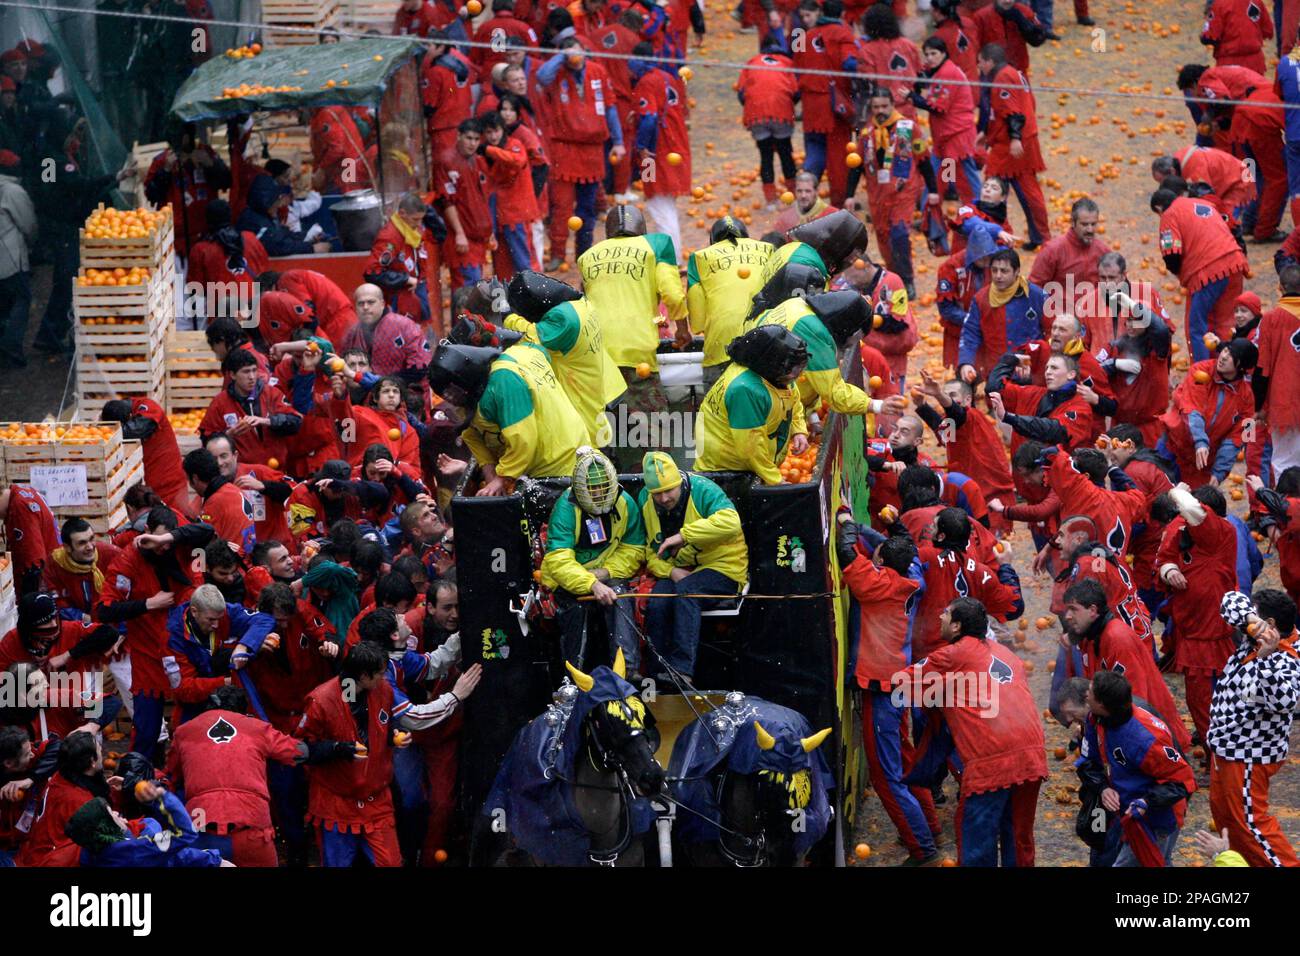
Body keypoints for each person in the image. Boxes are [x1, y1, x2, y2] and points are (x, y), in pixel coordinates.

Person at [900, 597, 1047, 866]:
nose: (939, 617)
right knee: (1019, 838)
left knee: (975, 843)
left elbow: (902, 684)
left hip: (991, 762)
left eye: (945, 614)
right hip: (1033, 757)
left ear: (956, 627)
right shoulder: (1006, 653)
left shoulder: (952, 654)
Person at [836, 518, 939, 864]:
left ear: (881, 562)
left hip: (881, 688)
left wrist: (846, 527)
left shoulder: (879, 583)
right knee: (907, 762)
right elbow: (898, 542)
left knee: (887, 776)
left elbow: (845, 553)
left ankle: (922, 847)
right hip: (898, 682)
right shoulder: (913, 573)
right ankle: (930, 826)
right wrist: (859, 524)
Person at [95, 506, 214, 759]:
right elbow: (105, 610)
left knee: (194, 721)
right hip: (149, 654)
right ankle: (141, 779)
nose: (162, 549)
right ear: (146, 531)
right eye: (157, 540)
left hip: (187, 649)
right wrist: (148, 604)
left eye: (167, 542)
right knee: (147, 730)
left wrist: (168, 539)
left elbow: (207, 532)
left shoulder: (184, 546)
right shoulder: (128, 561)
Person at [637, 452, 747, 683]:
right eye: (657, 493)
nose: (664, 498)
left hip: (724, 566)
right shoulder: (645, 502)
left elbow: (731, 522)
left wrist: (684, 536)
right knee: (658, 601)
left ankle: (682, 670)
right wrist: (670, 572)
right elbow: (650, 552)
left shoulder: (703, 489)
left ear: (679, 481)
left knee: (688, 591)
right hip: (677, 569)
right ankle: (659, 672)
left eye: (669, 490)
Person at [427, 339, 587, 493]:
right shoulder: (519, 352)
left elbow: (523, 439)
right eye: (445, 395)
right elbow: (472, 434)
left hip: (558, 465)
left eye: (452, 392)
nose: (452, 400)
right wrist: (491, 477)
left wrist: (503, 477)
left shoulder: (504, 382)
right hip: (574, 441)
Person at [541, 448, 645, 673]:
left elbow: (634, 549)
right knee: (576, 610)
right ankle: (574, 676)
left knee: (620, 595)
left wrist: (605, 573)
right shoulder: (566, 507)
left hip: (606, 573)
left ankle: (628, 671)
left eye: (603, 485)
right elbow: (558, 560)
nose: (599, 492)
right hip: (569, 581)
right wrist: (590, 584)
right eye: (592, 486)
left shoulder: (625, 502)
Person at [1078, 670, 1197, 866]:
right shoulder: (1095, 718)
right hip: (1126, 814)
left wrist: (1146, 802)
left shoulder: (1146, 739)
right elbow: (1089, 761)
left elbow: (1183, 781)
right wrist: (1103, 788)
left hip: (1156, 817)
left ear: (1101, 703)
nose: (1085, 694)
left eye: (1090, 691)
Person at [578, 204, 685, 421]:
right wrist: (683, 330)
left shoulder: (587, 256)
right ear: (642, 228)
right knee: (655, 433)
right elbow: (673, 296)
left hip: (597, 353)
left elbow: (586, 303)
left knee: (605, 429)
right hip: (637, 352)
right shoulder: (657, 244)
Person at [1061, 578, 1191, 752]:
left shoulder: (1117, 639)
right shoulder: (1090, 637)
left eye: (1073, 610)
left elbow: (1132, 701)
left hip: (1154, 739)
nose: (1067, 616)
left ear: (1092, 611)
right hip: (1135, 735)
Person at [1156, 483, 1241, 746]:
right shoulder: (1184, 530)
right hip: (1191, 634)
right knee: (1199, 703)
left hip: (1214, 635)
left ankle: (1223, 755)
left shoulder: (1220, 532)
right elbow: (1163, 559)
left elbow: (1192, 507)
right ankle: (1213, 752)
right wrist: (1169, 570)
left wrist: (1176, 490)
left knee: (1224, 700)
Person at [503, 270, 625, 447]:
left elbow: (531, 335)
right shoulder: (581, 305)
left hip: (582, 416)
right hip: (602, 392)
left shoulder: (565, 321)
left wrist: (507, 316)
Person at [538, 36, 626, 265]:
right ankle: (557, 254)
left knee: (587, 207)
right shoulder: (556, 73)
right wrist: (562, 56)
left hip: (593, 150)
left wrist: (618, 141)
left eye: (578, 51)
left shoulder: (598, 71)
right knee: (562, 206)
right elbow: (541, 76)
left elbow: (610, 108)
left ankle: (583, 252)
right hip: (564, 149)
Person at [848, 86, 939, 297]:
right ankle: (893, 277)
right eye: (875, 107)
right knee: (883, 237)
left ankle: (907, 280)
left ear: (892, 105)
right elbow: (856, 166)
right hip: (877, 195)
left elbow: (924, 160)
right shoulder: (866, 134)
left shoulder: (909, 128)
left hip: (903, 192)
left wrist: (933, 190)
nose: (880, 110)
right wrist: (850, 195)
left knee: (899, 234)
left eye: (884, 106)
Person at [694, 324, 810, 486]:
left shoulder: (778, 375)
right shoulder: (745, 389)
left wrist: (798, 430)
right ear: (771, 364)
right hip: (726, 473)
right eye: (794, 368)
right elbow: (750, 446)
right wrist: (775, 479)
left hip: (754, 467)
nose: (798, 374)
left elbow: (793, 400)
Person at [1150, 180, 1250, 360]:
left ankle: (1202, 373)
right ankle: (1231, 369)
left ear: (1159, 208)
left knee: (1196, 326)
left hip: (1209, 270)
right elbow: (1234, 229)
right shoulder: (1204, 203)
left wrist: (1182, 273)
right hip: (1236, 262)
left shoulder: (1169, 214)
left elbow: (1171, 254)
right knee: (1226, 321)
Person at [912, 368, 1016, 519]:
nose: (948, 399)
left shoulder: (969, 416)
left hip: (991, 497)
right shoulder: (954, 422)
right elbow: (945, 433)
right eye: (945, 394)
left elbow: (957, 413)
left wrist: (939, 394)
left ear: (968, 399)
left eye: (952, 395)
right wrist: (922, 405)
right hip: (975, 493)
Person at [976, 43, 1050, 250]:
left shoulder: (1002, 78)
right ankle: (1039, 236)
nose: (979, 67)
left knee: (993, 185)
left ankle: (994, 234)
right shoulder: (1015, 73)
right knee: (1025, 189)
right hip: (1019, 139)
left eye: (980, 62)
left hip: (1013, 143)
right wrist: (988, 134)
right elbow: (1027, 105)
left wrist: (1015, 137)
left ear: (989, 61)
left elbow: (1012, 112)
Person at [1155, 338, 1257, 487]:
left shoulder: (1248, 399)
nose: (1223, 356)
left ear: (1241, 366)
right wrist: (1201, 442)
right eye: (1225, 350)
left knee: (1191, 506)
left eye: (1231, 356)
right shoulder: (1200, 371)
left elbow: (1239, 439)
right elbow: (1192, 408)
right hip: (1173, 445)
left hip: (1202, 464)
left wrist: (1220, 471)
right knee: (1157, 494)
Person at [685, 218, 773, 389]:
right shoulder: (768, 249)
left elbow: (697, 323)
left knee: (718, 409)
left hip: (721, 346)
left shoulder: (699, 258)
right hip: (766, 338)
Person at [1094, 264, 1174, 446]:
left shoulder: (1157, 349)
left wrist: (1131, 304)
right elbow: (1092, 372)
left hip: (1150, 428)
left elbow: (1161, 329)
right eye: (1128, 319)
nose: (1130, 324)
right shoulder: (1115, 346)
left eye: (1136, 320)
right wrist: (1113, 365)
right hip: (1120, 428)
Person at [791, 0, 857, 202]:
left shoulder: (803, 36)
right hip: (834, 105)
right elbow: (850, 64)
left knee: (814, 151)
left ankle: (804, 196)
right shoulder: (843, 33)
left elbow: (796, 66)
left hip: (811, 104)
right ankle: (839, 202)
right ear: (842, 14)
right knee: (838, 156)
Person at [628, 42, 691, 254]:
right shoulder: (666, 76)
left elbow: (649, 117)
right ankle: (674, 254)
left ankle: (671, 258)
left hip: (653, 154)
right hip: (676, 147)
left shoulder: (645, 82)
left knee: (657, 203)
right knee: (667, 204)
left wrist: (641, 146)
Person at [15, 731, 112, 866]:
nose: (102, 750)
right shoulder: (81, 801)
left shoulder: (60, 776)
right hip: (48, 861)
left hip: (34, 852)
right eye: (99, 750)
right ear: (92, 762)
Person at [200, 349, 303, 469]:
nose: (252, 377)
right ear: (232, 375)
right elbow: (206, 439)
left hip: (276, 470)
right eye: (246, 372)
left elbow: (295, 422)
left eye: (254, 370)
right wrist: (228, 435)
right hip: (241, 474)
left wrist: (267, 421)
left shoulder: (271, 393)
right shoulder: (220, 402)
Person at [957, 247, 1049, 382]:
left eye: (1004, 271)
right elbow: (970, 333)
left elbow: (1053, 329)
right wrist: (966, 363)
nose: (998, 275)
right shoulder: (980, 299)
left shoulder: (1037, 296)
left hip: (1032, 373)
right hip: (997, 374)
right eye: (994, 270)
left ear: (1017, 271)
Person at [143, 120, 231, 259]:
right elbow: (151, 195)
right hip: (176, 238)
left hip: (206, 234)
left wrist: (211, 165)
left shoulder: (205, 152)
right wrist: (165, 171)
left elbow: (226, 182)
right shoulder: (162, 160)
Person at [912, 35, 979, 204]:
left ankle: (982, 208)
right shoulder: (941, 71)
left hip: (957, 134)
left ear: (943, 54)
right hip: (947, 135)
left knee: (965, 175)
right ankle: (936, 205)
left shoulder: (947, 73)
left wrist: (912, 97)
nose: (929, 58)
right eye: (926, 55)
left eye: (933, 53)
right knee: (942, 172)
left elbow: (937, 107)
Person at [987, 351, 1094, 454]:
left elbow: (1051, 431)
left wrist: (1009, 417)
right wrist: (1009, 360)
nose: (1048, 372)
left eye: (1054, 368)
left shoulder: (1081, 408)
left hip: (1055, 471)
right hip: (1019, 471)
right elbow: (994, 388)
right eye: (1047, 368)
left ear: (1071, 374)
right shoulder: (1031, 393)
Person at [365, 192, 444, 330]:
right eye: (415, 219)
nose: (419, 224)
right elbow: (372, 272)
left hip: (417, 291)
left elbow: (439, 235)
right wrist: (404, 279)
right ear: (402, 214)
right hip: (400, 299)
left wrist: (428, 210)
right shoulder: (390, 237)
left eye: (421, 219)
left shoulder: (412, 229)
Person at [737, 37, 799, 206]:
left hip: (756, 114)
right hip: (781, 112)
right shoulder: (786, 63)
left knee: (766, 155)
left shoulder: (752, 62)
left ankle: (771, 200)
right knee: (785, 152)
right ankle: (793, 195)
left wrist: (755, 107)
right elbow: (796, 92)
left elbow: (741, 94)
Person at [339, 283, 433, 389]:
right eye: (361, 303)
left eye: (371, 302)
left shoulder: (404, 326)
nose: (365, 307)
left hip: (405, 394)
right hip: (366, 397)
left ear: (382, 304)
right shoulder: (352, 333)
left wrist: (382, 382)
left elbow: (421, 368)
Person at [1029, 198, 1109, 321]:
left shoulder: (1103, 251)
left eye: (1093, 224)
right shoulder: (1052, 250)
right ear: (1073, 222)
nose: (1090, 230)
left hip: (1092, 321)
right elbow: (1034, 287)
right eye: (1084, 224)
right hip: (1059, 322)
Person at [480, 111, 538, 281]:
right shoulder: (482, 153)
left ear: (503, 130)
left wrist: (490, 150)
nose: (492, 136)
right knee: (501, 261)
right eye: (489, 132)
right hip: (496, 214)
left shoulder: (514, 144)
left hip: (515, 213)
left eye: (496, 131)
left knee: (522, 259)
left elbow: (517, 161)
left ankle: (530, 293)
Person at [1255, 265, 1300, 477]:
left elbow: (1263, 368)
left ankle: (1287, 509)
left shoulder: (1272, 319)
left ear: (1280, 288)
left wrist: (1259, 406)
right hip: (1286, 404)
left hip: (1285, 403)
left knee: (1284, 463)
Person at [43, 517, 120, 620]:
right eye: (82, 543)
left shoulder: (111, 554)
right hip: (75, 625)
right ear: (67, 547)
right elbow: (55, 602)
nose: (90, 547)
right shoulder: (54, 563)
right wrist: (84, 619)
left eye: (92, 539)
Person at [183, 449, 256, 556]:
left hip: (232, 567)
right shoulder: (232, 489)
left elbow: (202, 547)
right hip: (246, 561)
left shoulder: (215, 502)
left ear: (195, 478)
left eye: (189, 480)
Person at [0, 161, 33, 368]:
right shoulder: (12, 191)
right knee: (22, 298)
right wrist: (32, 244)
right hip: (9, 257)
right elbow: (28, 223)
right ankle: (11, 347)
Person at [0, 483, 59, 596]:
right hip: (52, 566)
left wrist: (29, 595)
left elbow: (32, 557)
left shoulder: (19, 506)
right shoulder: (25, 491)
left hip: (43, 579)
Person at [1201, 0, 1273, 73]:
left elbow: (1210, 38)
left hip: (1229, 64)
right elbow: (1268, 31)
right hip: (1255, 63)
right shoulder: (1257, 2)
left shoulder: (1220, 4)